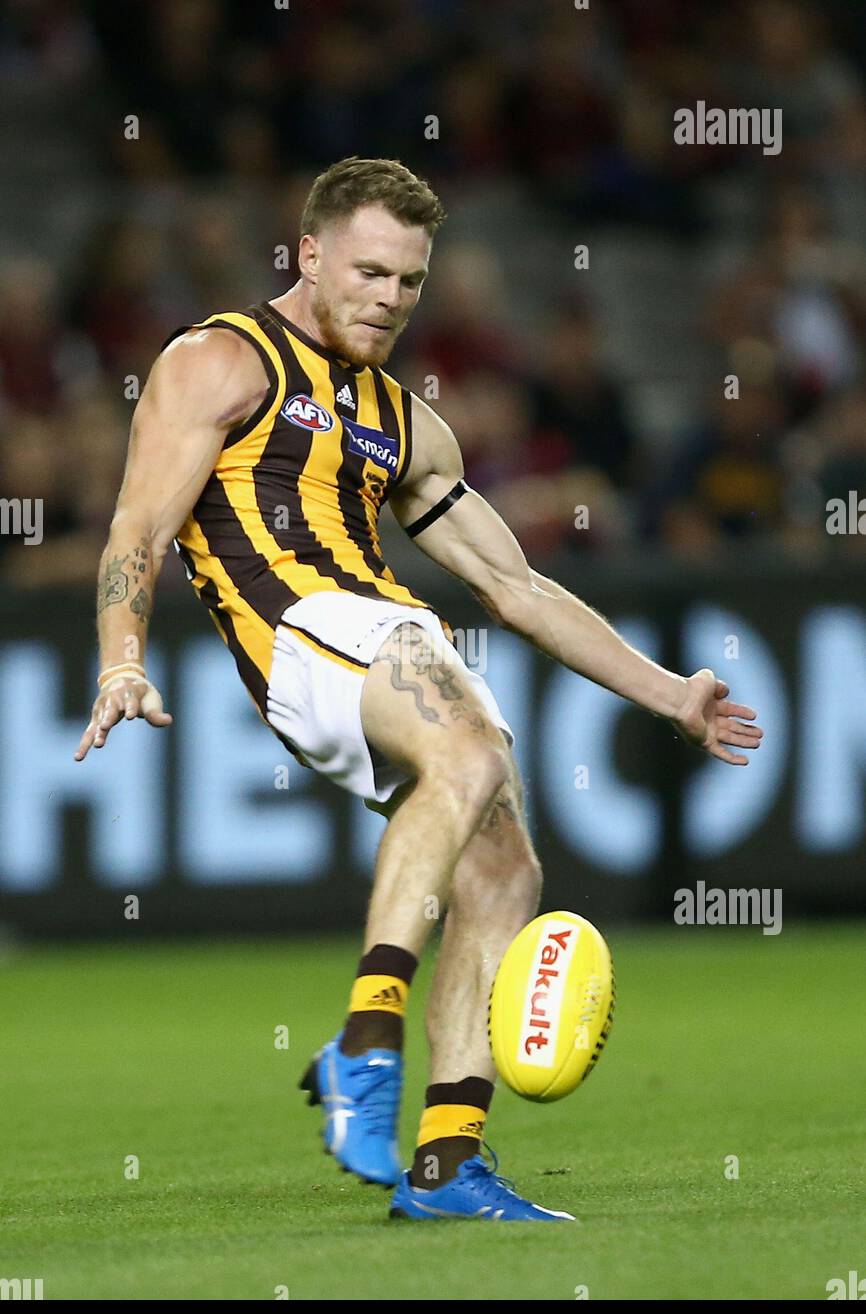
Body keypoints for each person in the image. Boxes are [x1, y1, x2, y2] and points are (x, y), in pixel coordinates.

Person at [74, 157, 763, 1221]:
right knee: (475, 750)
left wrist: (668, 692)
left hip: (378, 635)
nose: (388, 297)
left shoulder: (407, 425)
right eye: (368, 271)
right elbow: (137, 529)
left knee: (505, 865)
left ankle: (446, 1161)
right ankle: (364, 1043)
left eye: (408, 281)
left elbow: (515, 585)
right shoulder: (220, 360)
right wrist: (122, 655)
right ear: (308, 255)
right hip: (305, 627)